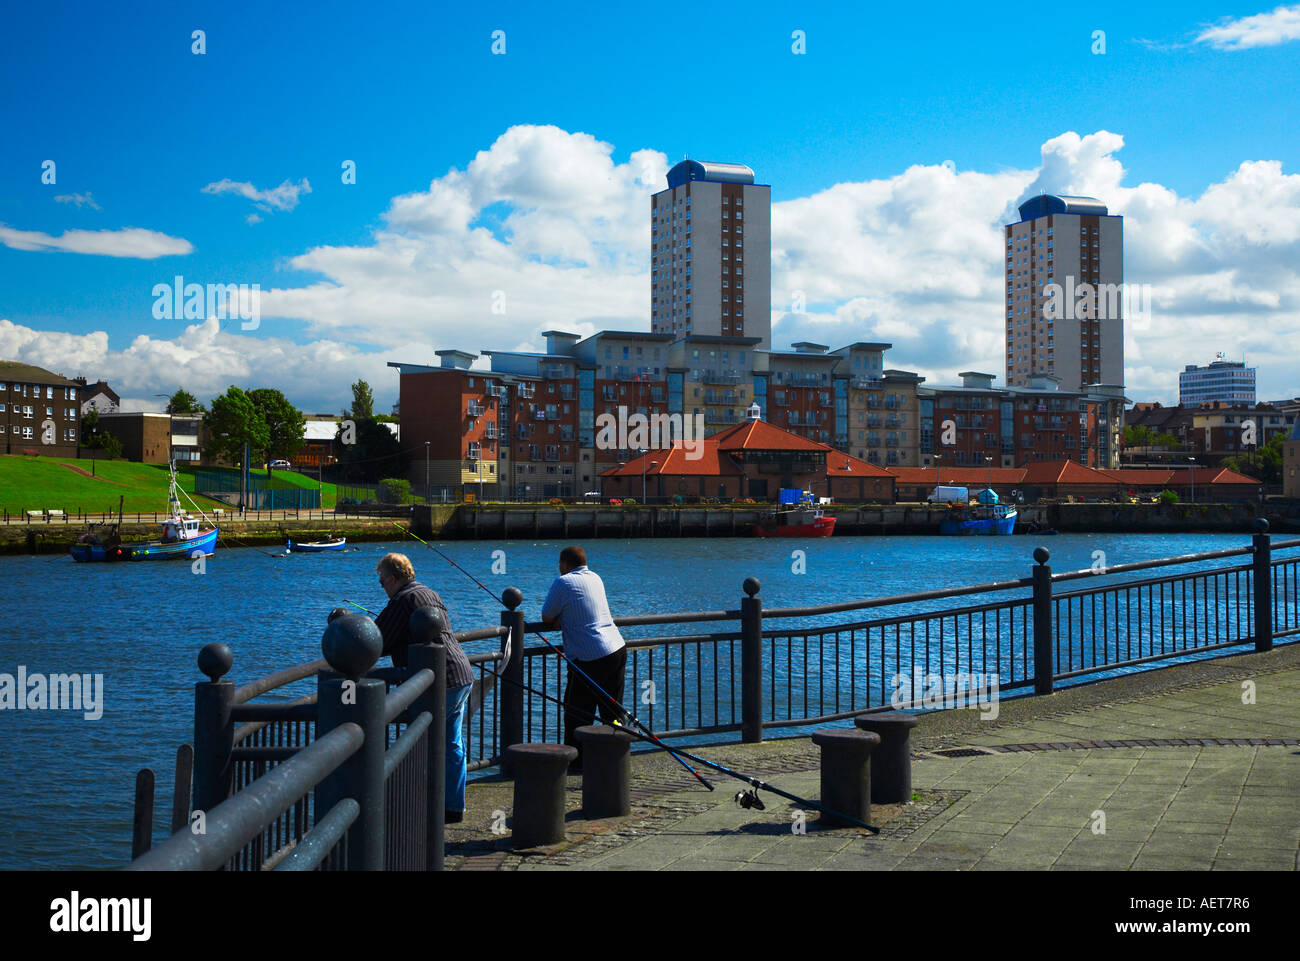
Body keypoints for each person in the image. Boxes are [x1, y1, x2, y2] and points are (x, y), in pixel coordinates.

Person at [372, 552, 474, 823]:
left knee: (420, 742)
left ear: (393, 579)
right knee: (451, 743)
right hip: (460, 673)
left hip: (436, 679)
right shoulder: (429, 593)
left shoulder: (403, 599)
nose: (382, 586)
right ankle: (452, 806)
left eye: (382, 582)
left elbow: (375, 640)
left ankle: (415, 807)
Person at [541, 545, 628, 769]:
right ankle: (614, 760)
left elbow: (546, 617)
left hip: (589, 656)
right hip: (616, 648)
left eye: (560, 565)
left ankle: (576, 763)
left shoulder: (564, 581)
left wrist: (561, 619)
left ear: (564, 565)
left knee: (576, 712)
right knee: (612, 710)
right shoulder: (596, 578)